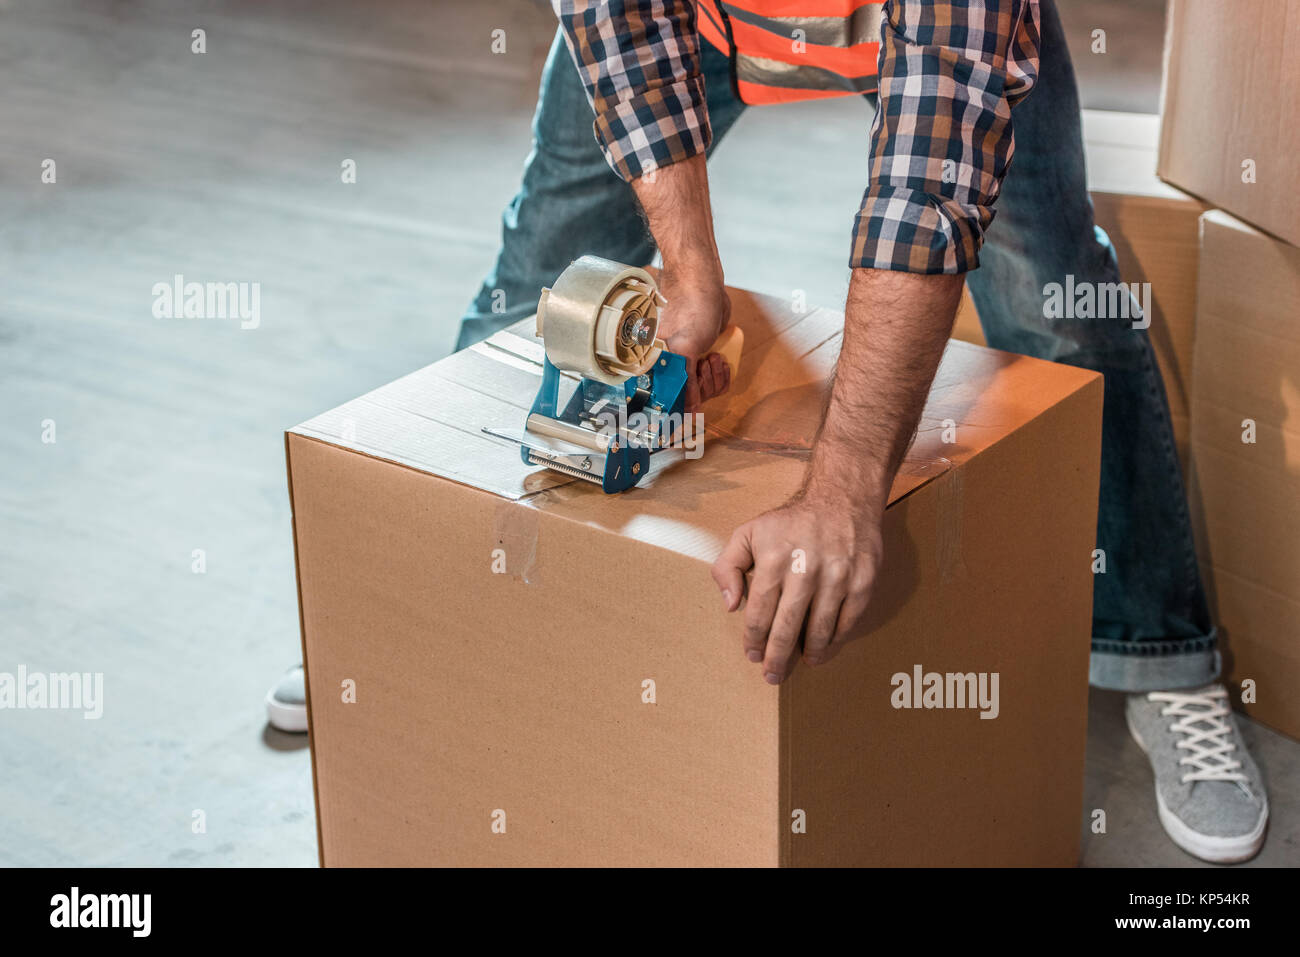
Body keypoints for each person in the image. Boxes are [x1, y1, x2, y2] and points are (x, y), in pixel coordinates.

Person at [272, 0, 1269, 864]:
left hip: (932, 36)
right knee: (546, 259)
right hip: (685, 20)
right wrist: (689, 272)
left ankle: (1158, 649)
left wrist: (842, 491)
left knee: (1054, 297)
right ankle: (416, 614)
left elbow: (925, 187)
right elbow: (615, 25)